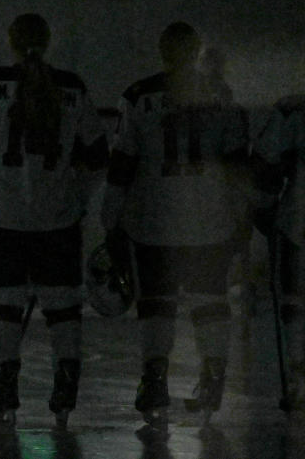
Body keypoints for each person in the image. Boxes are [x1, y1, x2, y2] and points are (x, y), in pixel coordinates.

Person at [0, 13, 108, 429]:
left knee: (3, 308)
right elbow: (97, 156)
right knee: (64, 309)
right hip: (59, 218)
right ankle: (66, 386)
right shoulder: (73, 88)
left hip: (1, 216)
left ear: (9, 41)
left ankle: (5, 388)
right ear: (48, 42)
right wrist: (76, 199)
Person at [100, 22, 251, 429]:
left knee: (157, 304)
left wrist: (110, 218)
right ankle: (214, 375)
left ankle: (154, 378)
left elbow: (122, 166)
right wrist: (243, 217)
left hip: (156, 218)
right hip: (210, 217)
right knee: (210, 300)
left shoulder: (138, 96)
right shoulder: (219, 94)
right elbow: (237, 164)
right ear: (197, 50)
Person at [252, 92, 305, 408]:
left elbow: (266, 161)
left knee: (294, 297)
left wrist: (264, 206)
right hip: (296, 217)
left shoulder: (291, 110)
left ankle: (298, 374)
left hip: (298, 218)